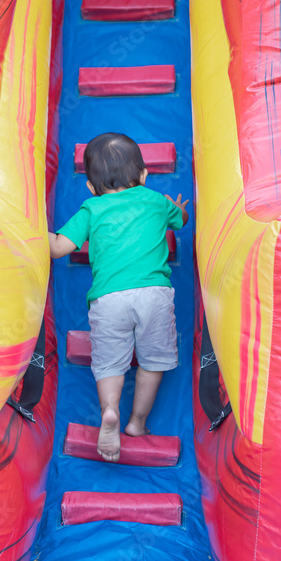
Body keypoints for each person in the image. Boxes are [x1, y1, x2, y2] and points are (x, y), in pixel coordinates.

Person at [48, 132, 189, 462]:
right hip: (153, 295)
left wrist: (33, 227)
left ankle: (109, 410)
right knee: (152, 363)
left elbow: (58, 248)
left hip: (109, 299)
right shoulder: (156, 200)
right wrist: (180, 211)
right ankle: (137, 423)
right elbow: (180, 221)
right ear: (144, 175)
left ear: (90, 187)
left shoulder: (92, 208)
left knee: (109, 364)